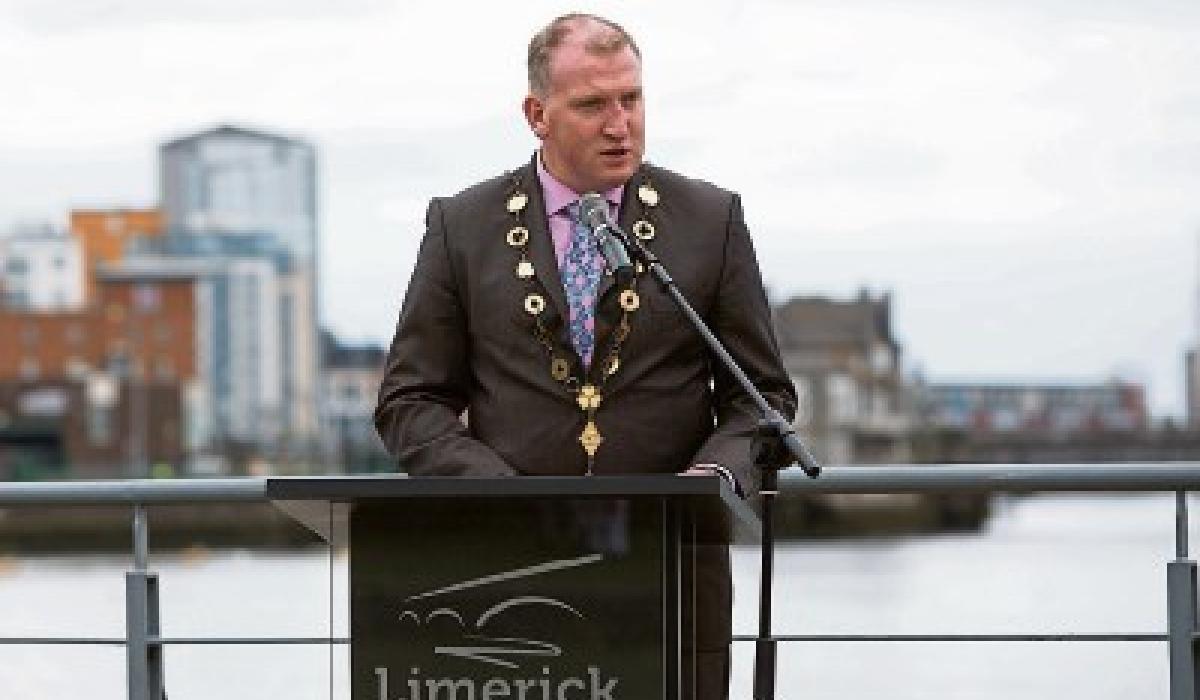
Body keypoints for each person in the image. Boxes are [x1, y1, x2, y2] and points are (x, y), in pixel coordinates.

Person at [374, 13, 796, 700]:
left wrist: (714, 472)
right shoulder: (462, 226)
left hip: (674, 572)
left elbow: (762, 395)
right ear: (537, 114)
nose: (619, 124)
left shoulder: (709, 219)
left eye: (631, 99)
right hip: (509, 577)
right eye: (593, 104)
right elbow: (408, 403)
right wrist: (504, 497)